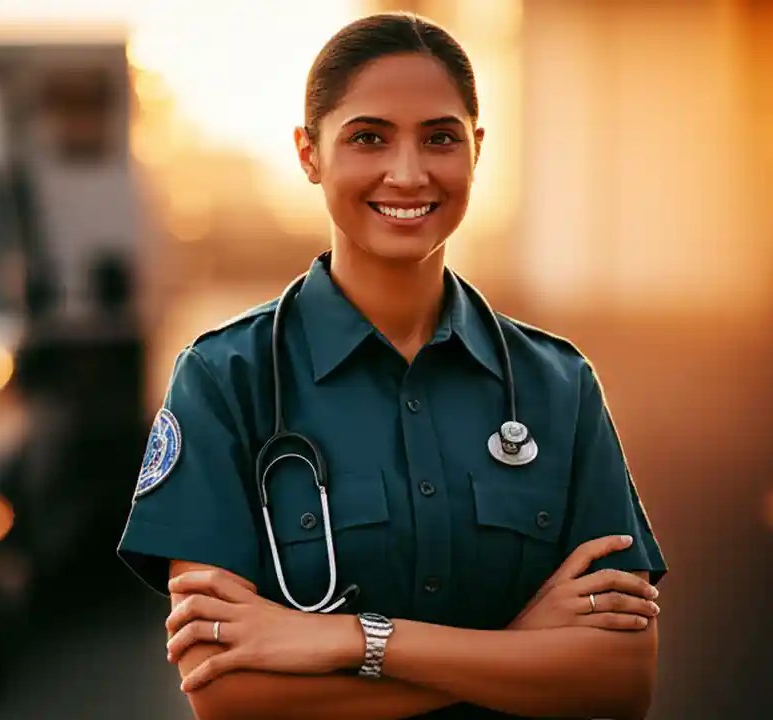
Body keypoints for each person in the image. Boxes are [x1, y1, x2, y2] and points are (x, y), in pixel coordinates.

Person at [118, 12, 668, 720]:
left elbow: (619, 680)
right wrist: (520, 648)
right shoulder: (226, 381)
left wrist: (353, 640)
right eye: (368, 137)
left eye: (439, 138)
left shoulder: (558, 386)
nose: (407, 173)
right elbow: (230, 694)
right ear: (308, 153)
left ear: (476, 149)